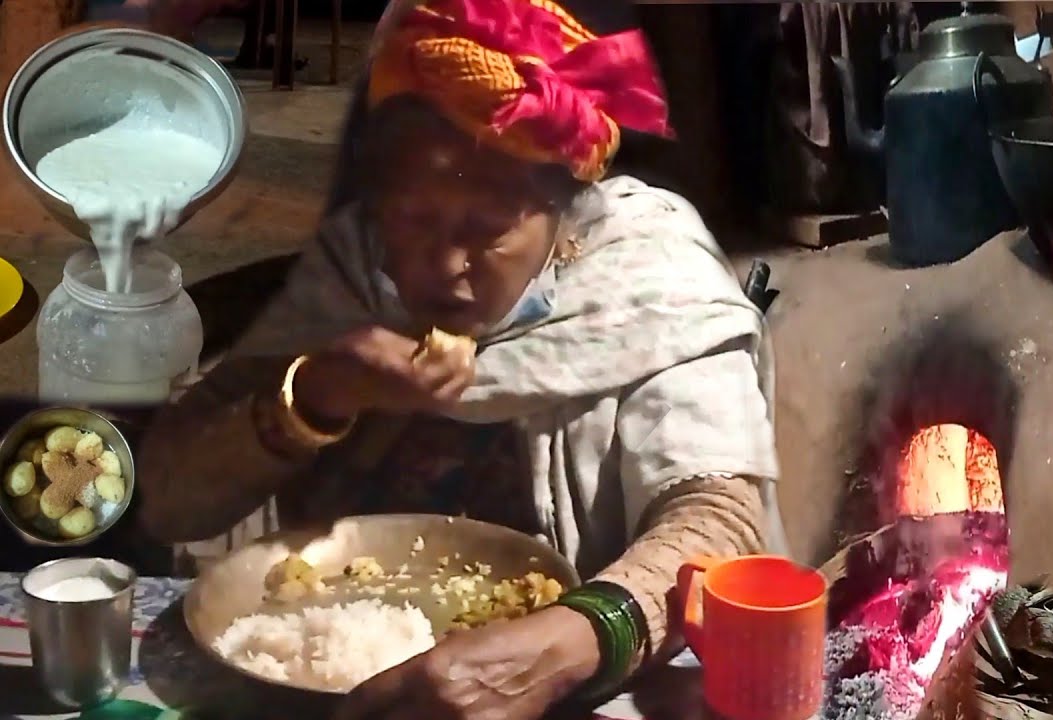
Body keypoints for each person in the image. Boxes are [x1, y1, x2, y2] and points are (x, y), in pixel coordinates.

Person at [137, 0, 788, 718]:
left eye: (488, 228)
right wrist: (312, 396)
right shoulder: (351, 269)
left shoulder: (647, 281)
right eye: (413, 218)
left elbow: (718, 522)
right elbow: (173, 497)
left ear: (564, 207)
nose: (446, 265)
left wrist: (572, 643)